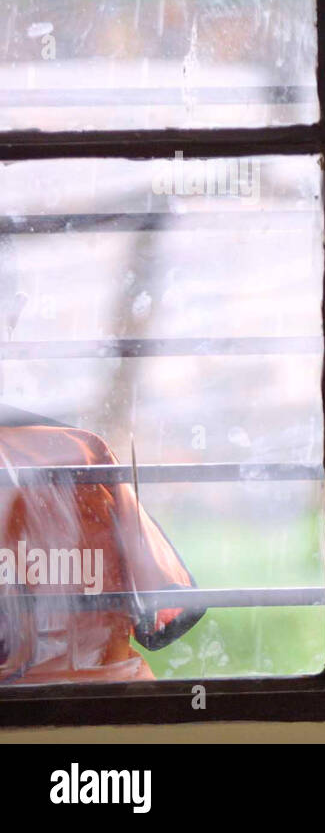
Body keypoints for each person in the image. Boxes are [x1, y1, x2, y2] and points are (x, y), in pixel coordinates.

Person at [0, 235, 202, 684]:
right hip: (109, 719)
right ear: (14, 312)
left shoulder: (80, 454)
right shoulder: (79, 453)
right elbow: (166, 612)